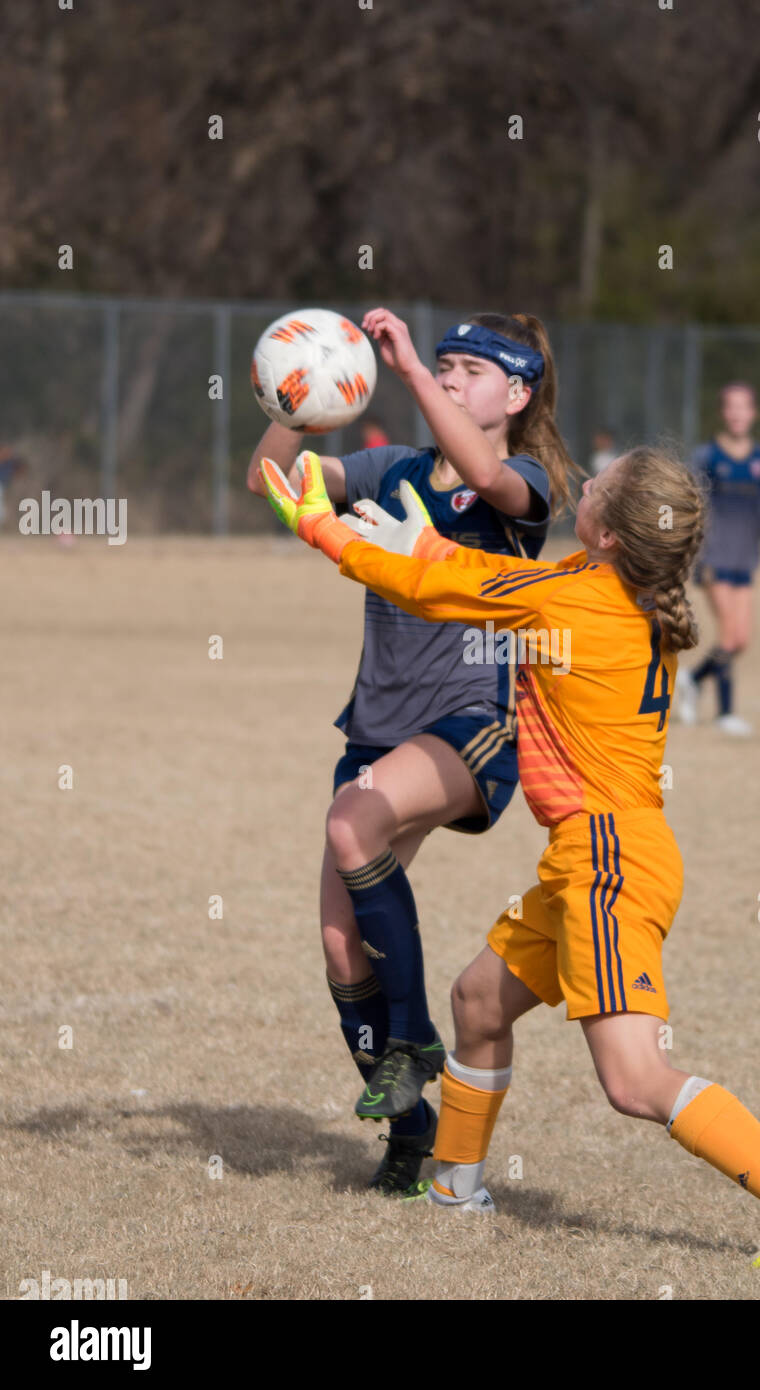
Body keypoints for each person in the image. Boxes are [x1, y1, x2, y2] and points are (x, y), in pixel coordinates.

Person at [259, 442, 760, 1270]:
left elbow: (439, 590)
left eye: (600, 486)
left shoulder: (572, 598)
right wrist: (416, 540)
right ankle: (456, 1189)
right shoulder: (605, 590)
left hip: (609, 860)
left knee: (631, 1081)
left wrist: (321, 530)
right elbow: (463, 575)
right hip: (589, 857)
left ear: (613, 533)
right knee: (478, 1003)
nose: (582, 484)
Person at [246, 307, 578, 1194]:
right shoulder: (390, 468)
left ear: (516, 393)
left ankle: (416, 1037)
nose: (449, 378)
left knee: (351, 825)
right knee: (339, 949)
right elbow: (268, 479)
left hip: (474, 719)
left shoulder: (523, 480)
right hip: (377, 725)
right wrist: (302, 393)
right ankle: (408, 1127)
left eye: (469, 371)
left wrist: (406, 377)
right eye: (444, 366)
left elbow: (477, 469)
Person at [674, 383, 760, 735]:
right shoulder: (706, 457)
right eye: (731, 407)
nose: (737, 414)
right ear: (722, 412)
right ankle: (726, 713)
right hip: (713, 557)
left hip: (746, 559)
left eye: (744, 407)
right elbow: (689, 501)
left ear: (754, 413)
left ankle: (693, 680)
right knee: (729, 634)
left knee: (741, 639)